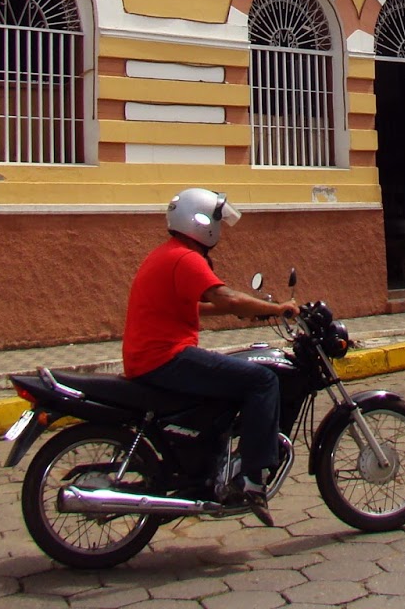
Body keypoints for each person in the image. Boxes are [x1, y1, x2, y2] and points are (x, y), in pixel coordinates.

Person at [122, 188, 298, 521]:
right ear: (202, 222)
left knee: (229, 386)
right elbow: (226, 297)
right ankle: (252, 480)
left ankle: (212, 468)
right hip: (164, 358)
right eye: (217, 220)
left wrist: (252, 312)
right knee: (262, 380)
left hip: (151, 358)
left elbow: (201, 305)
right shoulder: (186, 258)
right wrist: (278, 309)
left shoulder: (167, 253)